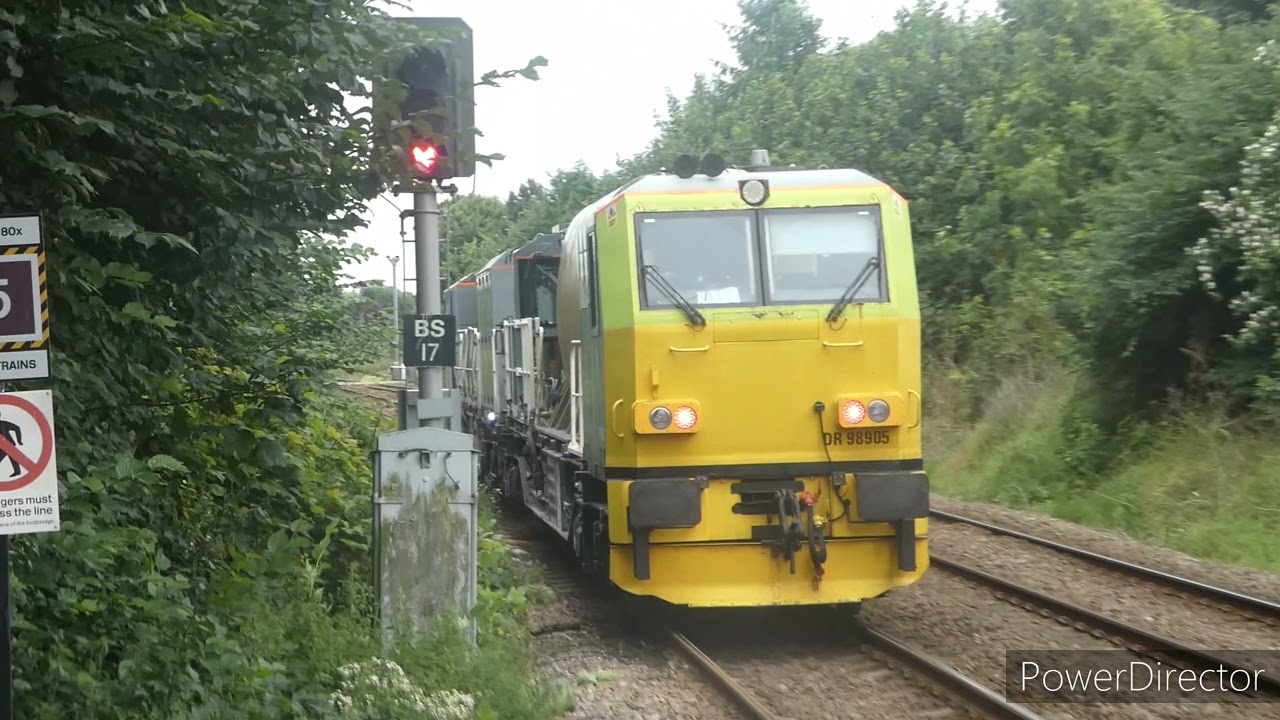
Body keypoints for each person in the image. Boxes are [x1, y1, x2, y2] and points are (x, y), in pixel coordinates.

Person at [0, 411, 23, 477]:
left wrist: (19, 440)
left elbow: (17, 428)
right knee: (13, 458)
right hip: (3, 445)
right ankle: (17, 472)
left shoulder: (3, 424)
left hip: (8, 445)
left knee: (13, 458)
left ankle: (17, 472)